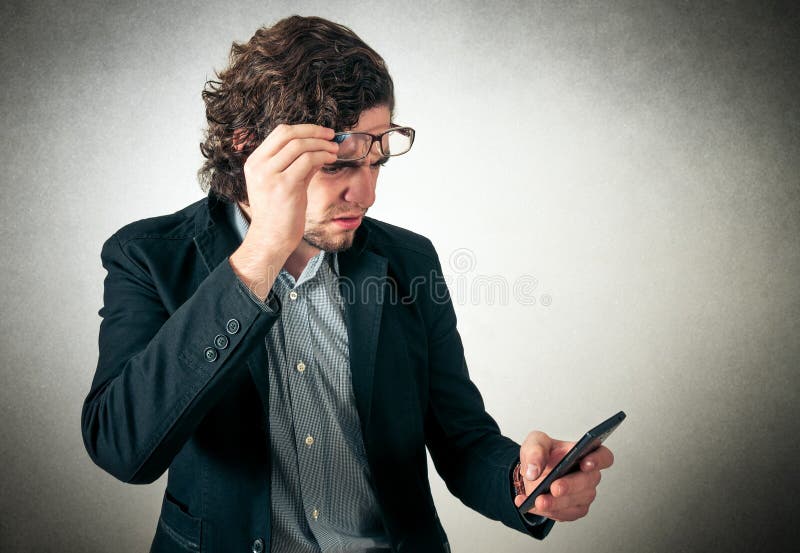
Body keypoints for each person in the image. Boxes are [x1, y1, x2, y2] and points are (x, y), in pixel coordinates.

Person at [81, 15, 614, 553]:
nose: (366, 195)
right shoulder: (148, 257)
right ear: (248, 148)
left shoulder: (409, 260)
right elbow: (122, 448)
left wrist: (523, 483)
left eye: (376, 163)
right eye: (337, 166)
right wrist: (261, 253)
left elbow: (462, 438)